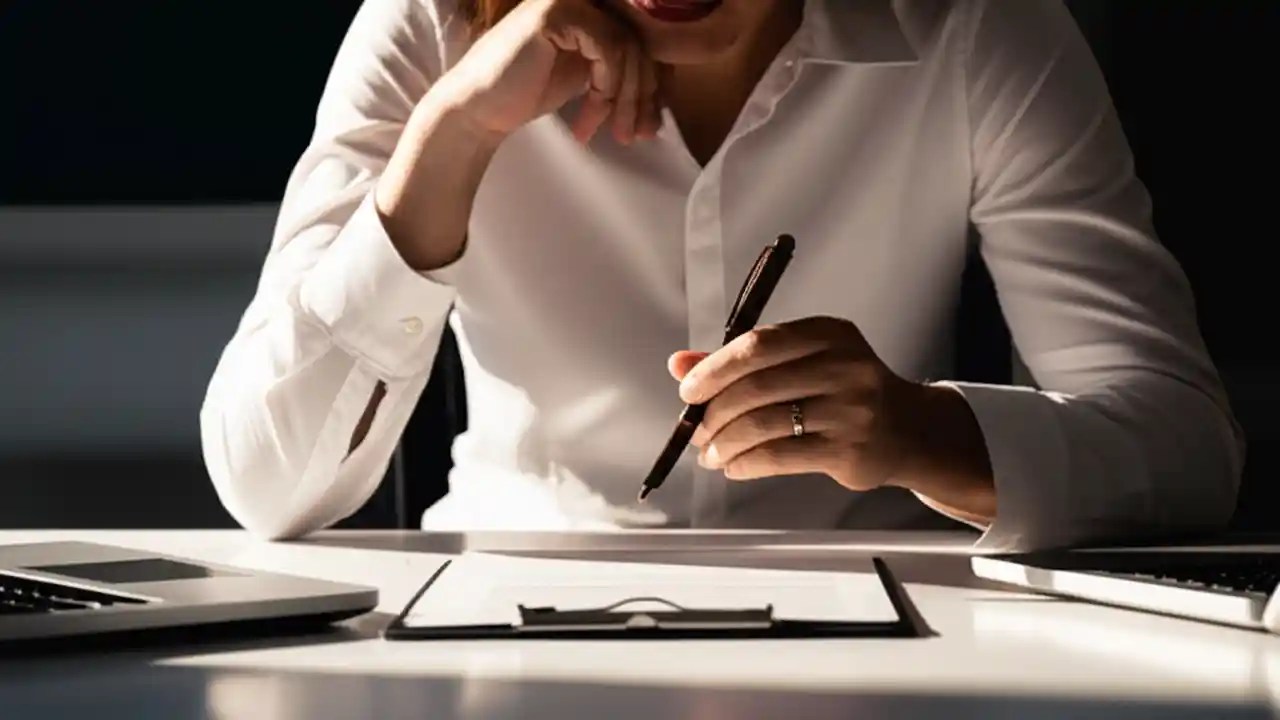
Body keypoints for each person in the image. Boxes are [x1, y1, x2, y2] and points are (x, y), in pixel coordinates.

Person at [200, 0, 1244, 550]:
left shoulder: (974, 27)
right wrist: (457, 128)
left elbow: (1183, 448)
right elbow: (266, 485)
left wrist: (921, 434)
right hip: (498, 630)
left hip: (890, 641)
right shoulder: (433, 27)